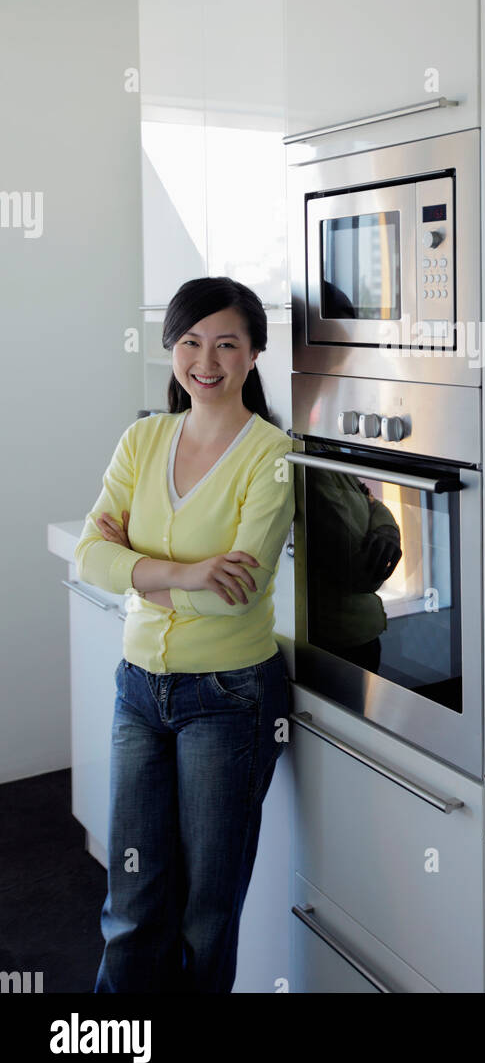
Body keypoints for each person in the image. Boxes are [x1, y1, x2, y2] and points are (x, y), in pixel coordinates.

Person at [74, 276, 295, 993]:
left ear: (254, 354)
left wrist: (137, 569)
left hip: (229, 698)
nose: (207, 359)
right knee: (133, 902)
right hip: (139, 691)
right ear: (172, 347)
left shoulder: (270, 454)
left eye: (227, 343)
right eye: (192, 341)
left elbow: (240, 595)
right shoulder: (143, 438)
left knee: (205, 912)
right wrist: (190, 572)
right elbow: (88, 555)